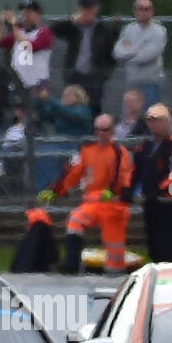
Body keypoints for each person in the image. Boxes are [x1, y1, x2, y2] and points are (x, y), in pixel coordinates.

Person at [37, 113, 134, 274]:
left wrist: (113, 191)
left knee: (114, 243)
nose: (102, 133)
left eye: (106, 130)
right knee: (75, 220)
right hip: (93, 203)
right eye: (98, 130)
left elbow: (122, 175)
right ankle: (71, 265)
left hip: (113, 204)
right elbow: (71, 173)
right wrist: (54, 190)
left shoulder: (119, 152)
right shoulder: (87, 151)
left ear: (112, 131)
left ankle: (115, 271)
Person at [130, 103, 172, 263]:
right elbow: (135, 171)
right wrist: (131, 190)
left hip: (169, 202)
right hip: (150, 201)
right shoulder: (143, 146)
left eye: (158, 119)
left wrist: (158, 190)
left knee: (168, 246)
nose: (153, 123)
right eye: (150, 120)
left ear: (167, 122)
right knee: (153, 244)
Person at [51, 0, 119, 117]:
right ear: (79, 9)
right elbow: (55, 30)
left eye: (90, 8)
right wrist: (72, 21)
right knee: (72, 109)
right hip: (75, 76)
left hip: (95, 77)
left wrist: (104, 74)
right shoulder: (74, 29)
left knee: (94, 110)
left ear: (96, 8)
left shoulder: (102, 29)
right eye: (84, 8)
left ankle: (94, 135)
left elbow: (111, 56)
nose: (87, 12)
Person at [113, 0, 167, 109]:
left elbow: (147, 57)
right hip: (131, 83)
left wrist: (127, 53)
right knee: (130, 118)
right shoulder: (129, 28)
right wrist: (136, 50)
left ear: (152, 11)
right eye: (140, 8)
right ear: (135, 11)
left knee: (149, 118)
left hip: (151, 84)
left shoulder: (159, 31)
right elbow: (117, 52)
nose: (143, 11)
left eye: (147, 9)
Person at [0, 0, 53, 91]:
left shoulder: (44, 32)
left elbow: (29, 47)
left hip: (37, 84)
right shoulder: (20, 31)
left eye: (29, 12)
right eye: (23, 12)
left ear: (38, 14)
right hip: (18, 83)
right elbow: (1, 41)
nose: (25, 15)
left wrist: (14, 24)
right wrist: (3, 23)